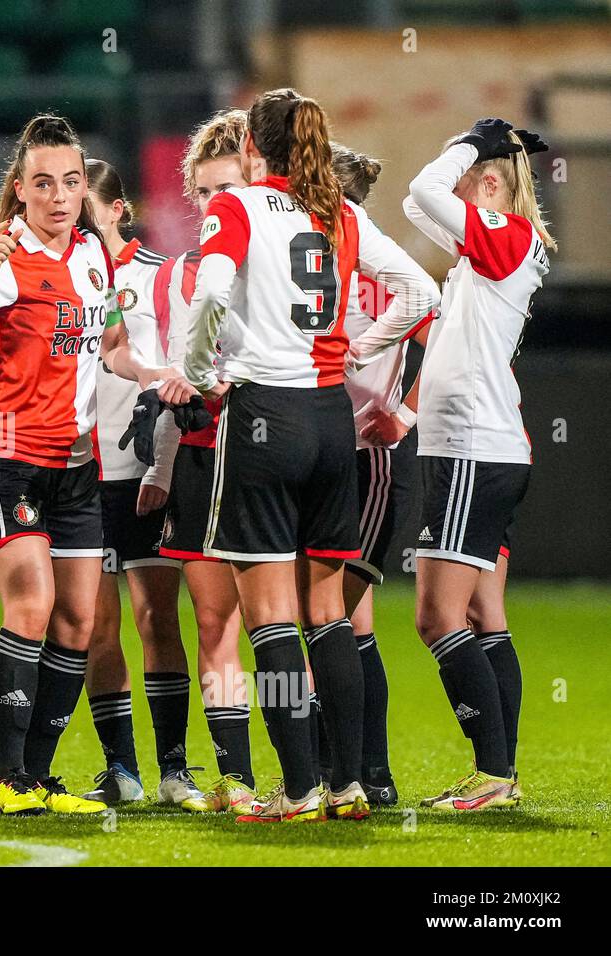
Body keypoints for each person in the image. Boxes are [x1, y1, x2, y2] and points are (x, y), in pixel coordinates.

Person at [172, 88, 439, 822]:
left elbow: (215, 286)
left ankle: (296, 791)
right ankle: (348, 785)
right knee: (331, 618)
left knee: (270, 624)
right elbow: (420, 292)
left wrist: (197, 370)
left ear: (253, 148)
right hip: (330, 418)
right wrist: (357, 347)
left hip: (265, 414)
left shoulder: (240, 205)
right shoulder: (342, 213)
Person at [0, 114, 174, 816]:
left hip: (76, 461)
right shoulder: (0, 255)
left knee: (80, 621)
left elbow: (109, 345)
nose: (58, 195)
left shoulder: (90, 256)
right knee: (34, 604)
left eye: (71, 182)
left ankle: (40, 778)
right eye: (43, 183)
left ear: (86, 190)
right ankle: (9, 777)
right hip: (6, 456)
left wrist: (149, 372)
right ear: (20, 190)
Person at [380, 118, 553, 810]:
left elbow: (419, 190)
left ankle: (493, 773)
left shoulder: (507, 238)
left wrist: (469, 140)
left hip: (473, 453)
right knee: (484, 612)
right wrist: (404, 415)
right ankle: (499, 775)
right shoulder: (494, 253)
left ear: (487, 183)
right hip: (487, 447)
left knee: (436, 618)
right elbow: (420, 203)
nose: (455, 187)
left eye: (469, 178)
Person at [76, 158, 207, 811]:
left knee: (157, 616)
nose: (77, 225)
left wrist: (165, 459)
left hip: (143, 473)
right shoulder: (64, 280)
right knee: (97, 625)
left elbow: (182, 372)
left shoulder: (160, 278)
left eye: (88, 213)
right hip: (80, 473)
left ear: (118, 209)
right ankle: (121, 769)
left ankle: (175, 769)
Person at [154, 109, 258, 814]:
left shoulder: (279, 261)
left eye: (228, 188)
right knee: (215, 624)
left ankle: (311, 770)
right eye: (204, 194)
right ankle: (240, 777)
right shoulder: (178, 276)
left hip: (261, 451)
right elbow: (173, 364)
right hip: (198, 455)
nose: (214, 206)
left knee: (282, 626)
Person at [327, 143, 435, 807]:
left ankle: (365, 768)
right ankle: (350, 769)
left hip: (362, 453)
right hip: (317, 448)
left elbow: (444, 334)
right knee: (339, 620)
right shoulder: (326, 261)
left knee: (339, 618)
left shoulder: (370, 266)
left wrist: (403, 414)